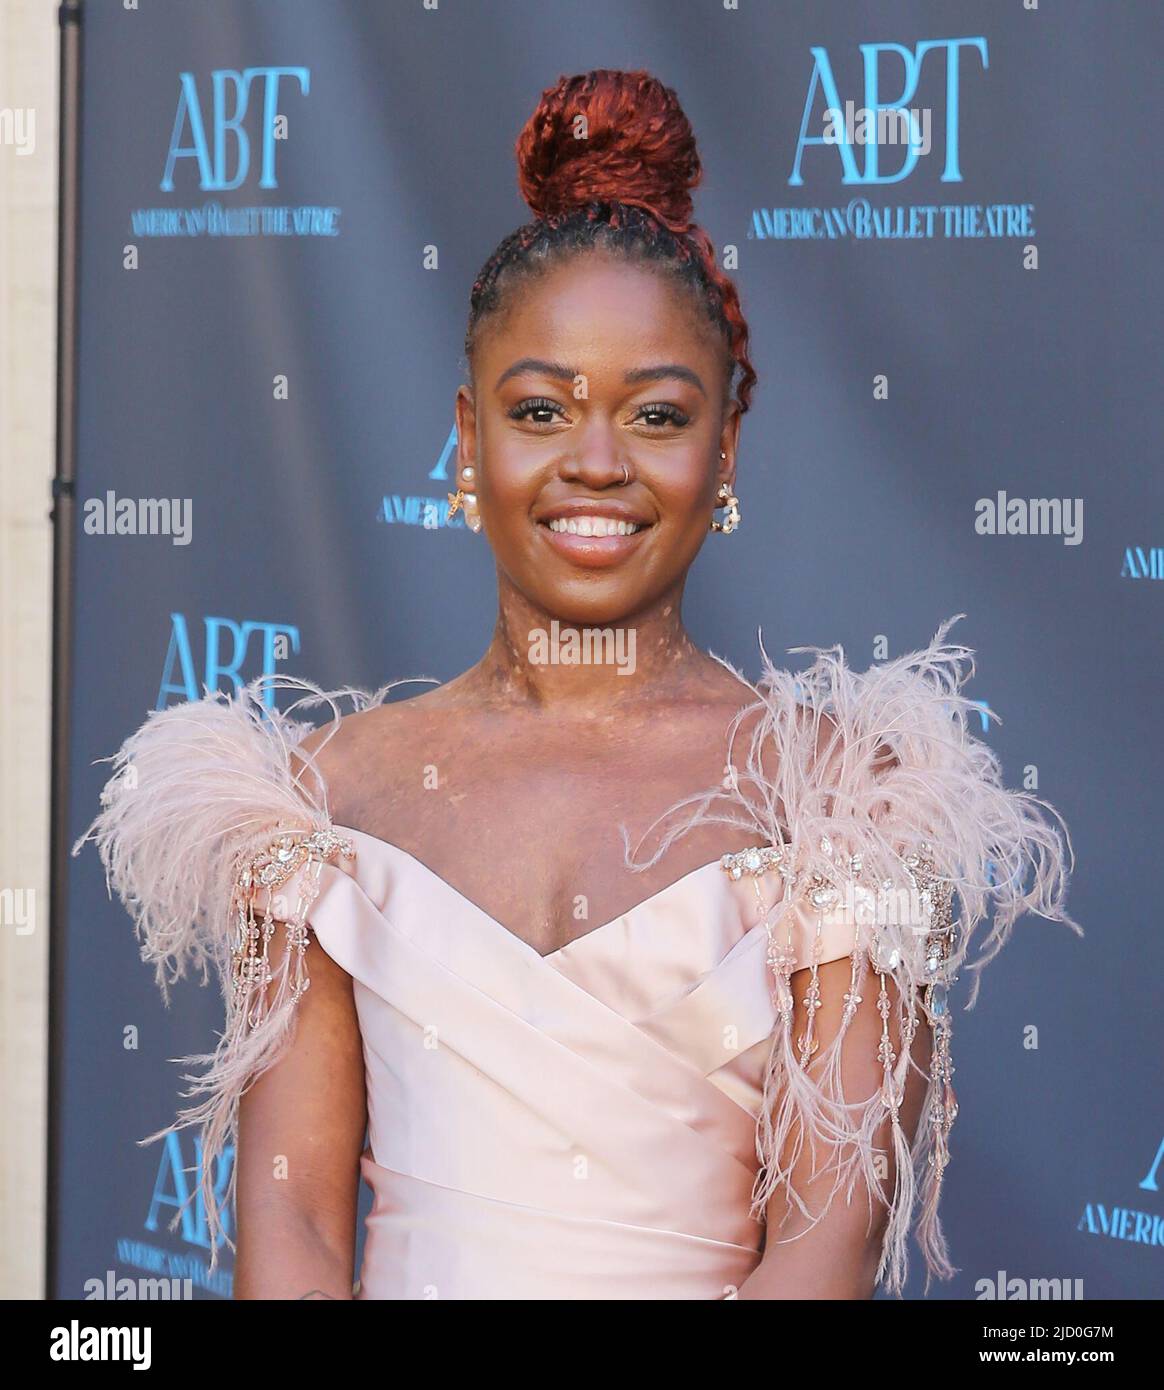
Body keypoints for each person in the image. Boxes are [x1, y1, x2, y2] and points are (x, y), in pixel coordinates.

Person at [74, 69, 1079, 1300]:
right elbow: (294, 1239)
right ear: (466, 438)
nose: (595, 464)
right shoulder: (321, 800)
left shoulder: (840, 801)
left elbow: (823, 1254)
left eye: (656, 416)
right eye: (542, 408)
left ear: (726, 450)